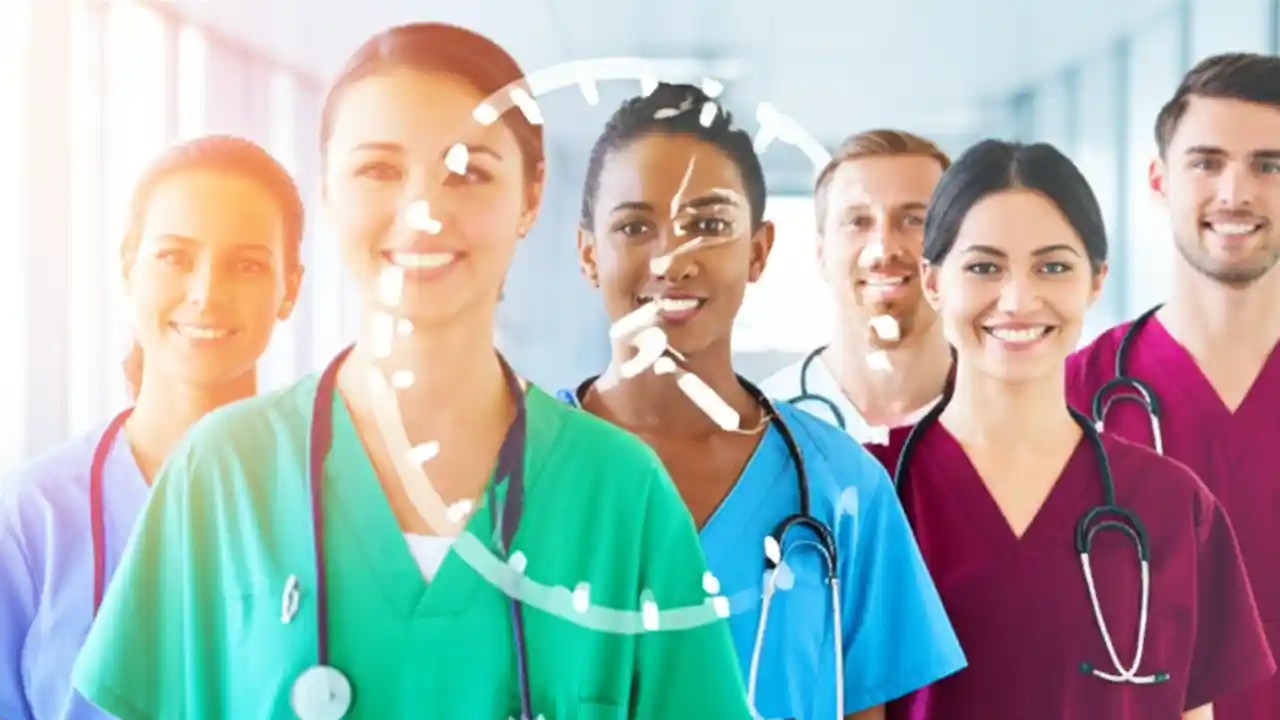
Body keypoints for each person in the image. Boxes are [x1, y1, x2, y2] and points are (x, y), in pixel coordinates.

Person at [70, 23, 751, 720]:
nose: (423, 212)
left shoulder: (620, 497)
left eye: (468, 173)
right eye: (379, 170)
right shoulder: (221, 476)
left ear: (530, 196)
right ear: (328, 187)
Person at [560, 83, 965, 720]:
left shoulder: (846, 489)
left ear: (759, 251)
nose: (672, 259)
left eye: (709, 225)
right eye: (636, 226)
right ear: (588, 253)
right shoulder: (510, 480)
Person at [879, 138, 1274, 720]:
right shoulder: (867, 493)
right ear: (933, 282)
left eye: (1053, 266)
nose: (1017, 299)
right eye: (984, 267)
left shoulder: (1173, 504)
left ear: (1095, 281)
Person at [0, 134, 305, 720]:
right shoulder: (35, 515)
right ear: (128, 266)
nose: (206, 293)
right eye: (175, 257)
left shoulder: (338, 507)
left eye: (247, 265)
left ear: (289, 287)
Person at [1066, 52, 1280, 720]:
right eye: (1206, 162)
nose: (1235, 193)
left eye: (1269, 165)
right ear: (1159, 179)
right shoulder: (1077, 394)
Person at [758, 130, 953, 445]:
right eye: (858, 222)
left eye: (914, 220)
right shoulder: (762, 430)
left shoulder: (1017, 420)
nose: (883, 249)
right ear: (821, 253)